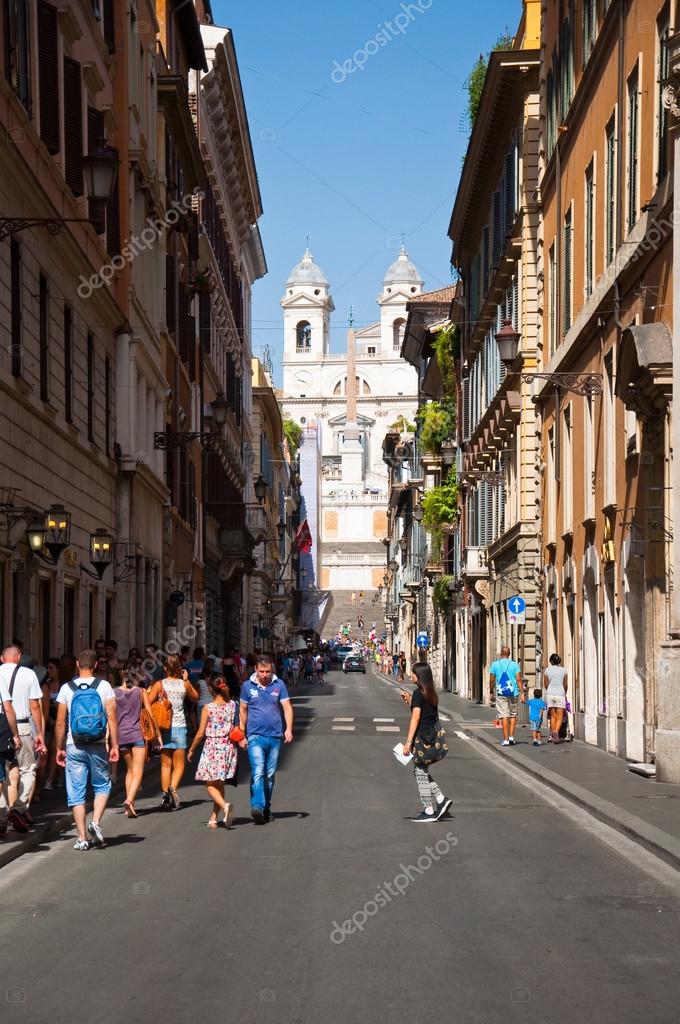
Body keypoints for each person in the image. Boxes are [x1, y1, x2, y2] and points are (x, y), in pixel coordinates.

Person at [55, 649, 119, 850]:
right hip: (98, 744)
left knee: (76, 792)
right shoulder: (105, 686)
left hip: (74, 745)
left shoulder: (67, 688)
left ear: (76, 664)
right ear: (96, 666)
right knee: (102, 785)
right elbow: (112, 717)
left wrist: (59, 747)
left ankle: (82, 838)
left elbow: (59, 722)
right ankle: (96, 822)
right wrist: (115, 744)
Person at [239, 655, 293, 824]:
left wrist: (288, 728)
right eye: (261, 671)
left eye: (267, 671)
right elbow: (242, 710)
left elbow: (287, 707)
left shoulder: (279, 685)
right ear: (255, 669)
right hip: (255, 735)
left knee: (269, 775)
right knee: (258, 772)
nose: (264, 675)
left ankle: (266, 807)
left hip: (275, 736)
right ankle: (257, 806)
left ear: (272, 670)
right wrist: (242, 734)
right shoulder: (247, 686)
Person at [0, 646, 46, 833]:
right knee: (28, 769)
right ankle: (18, 808)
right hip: (22, 725)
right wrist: (40, 732)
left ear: (2, 659)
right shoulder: (28, 674)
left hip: (1, 727)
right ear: (18, 658)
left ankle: (2, 817)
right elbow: (35, 705)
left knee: (3, 773)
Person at [400, 662, 451, 823]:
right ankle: (441, 799)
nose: (411, 675)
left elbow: (416, 717)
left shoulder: (417, 693)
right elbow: (426, 713)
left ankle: (429, 810)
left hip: (421, 738)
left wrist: (408, 742)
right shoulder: (430, 693)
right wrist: (410, 702)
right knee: (420, 771)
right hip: (431, 736)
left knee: (420, 772)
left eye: (413, 673)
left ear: (419, 676)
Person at [148, 655, 198, 809]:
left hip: (163, 727)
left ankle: (165, 796)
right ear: (179, 669)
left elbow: (147, 703)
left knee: (165, 765)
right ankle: (173, 789)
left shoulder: (159, 685)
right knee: (180, 764)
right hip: (179, 726)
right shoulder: (184, 684)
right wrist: (186, 679)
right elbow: (195, 697)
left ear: (164, 668)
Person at [188, 675, 238, 828]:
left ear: (210, 689)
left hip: (213, 747)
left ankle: (225, 806)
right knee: (220, 785)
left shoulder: (208, 708)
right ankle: (213, 818)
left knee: (210, 784)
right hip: (228, 747)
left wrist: (191, 749)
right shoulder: (233, 705)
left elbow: (200, 733)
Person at [114, 664, 161, 817]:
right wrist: (158, 735)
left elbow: (111, 715)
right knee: (138, 770)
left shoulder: (114, 693)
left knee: (129, 770)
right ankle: (129, 800)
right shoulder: (141, 692)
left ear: (122, 673)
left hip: (121, 735)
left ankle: (131, 805)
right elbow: (150, 714)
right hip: (137, 735)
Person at [489, 645, 524, 746]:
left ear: (501, 654)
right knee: (513, 714)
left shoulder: (495, 665)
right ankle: (512, 737)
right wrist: (522, 693)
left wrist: (491, 691)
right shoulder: (514, 665)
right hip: (514, 693)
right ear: (509, 654)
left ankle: (506, 739)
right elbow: (518, 679)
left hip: (501, 693)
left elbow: (491, 680)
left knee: (504, 715)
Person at [543, 653, 569, 744]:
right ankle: (556, 732)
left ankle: (553, 734)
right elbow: (565, 684)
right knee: (560, 716)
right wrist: (564, 692)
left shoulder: (547, 670)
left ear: (551, 661)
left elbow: (545, 684)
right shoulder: (564, 670)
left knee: (553, 715)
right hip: (560, 693)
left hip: (550, 693)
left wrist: (549, 690)